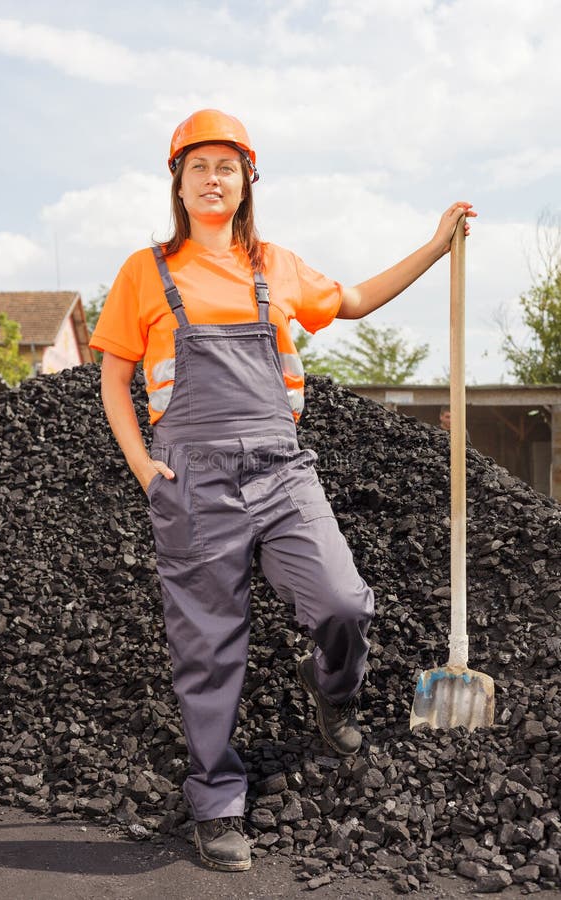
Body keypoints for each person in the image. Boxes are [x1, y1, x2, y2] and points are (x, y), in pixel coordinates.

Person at [90, 109, 475, 872]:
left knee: (342, 601)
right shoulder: (147, 269)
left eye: (225, 167)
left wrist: (436, 246)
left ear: (246, 181)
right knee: (208, 647)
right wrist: (142, 465)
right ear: (178, 180)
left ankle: (330, 686)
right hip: (191, 476)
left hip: (280, 468)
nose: (211, 179)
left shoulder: (276, 265)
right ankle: (217, 801)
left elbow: (357, 300)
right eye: (197, 166)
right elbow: (113, 374)